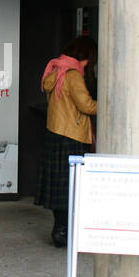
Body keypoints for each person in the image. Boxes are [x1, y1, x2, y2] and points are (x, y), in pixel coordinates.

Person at [35, 35, 98, 247]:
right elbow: (86, 105)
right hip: (71, 136)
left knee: (59, 185)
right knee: (71, 185)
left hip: (55, 133)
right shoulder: (73, 75)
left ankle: (59, 228)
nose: (90, 64)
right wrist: (108, 103)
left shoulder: (56, 70)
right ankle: (64, 231)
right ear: (85, 56)